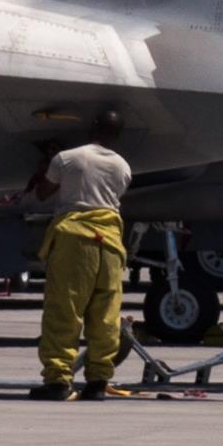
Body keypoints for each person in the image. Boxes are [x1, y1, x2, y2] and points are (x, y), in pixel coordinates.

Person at [29, 118, 135, 400]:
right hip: (111, 241)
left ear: (91, 131)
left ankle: (58, 380)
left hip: (75, 239)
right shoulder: (123, 166)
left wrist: (43, 168)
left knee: (65, 309)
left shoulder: (67, 158)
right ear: (117, 136)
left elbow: (42, 194)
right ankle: (98, 382)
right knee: (105, 313)